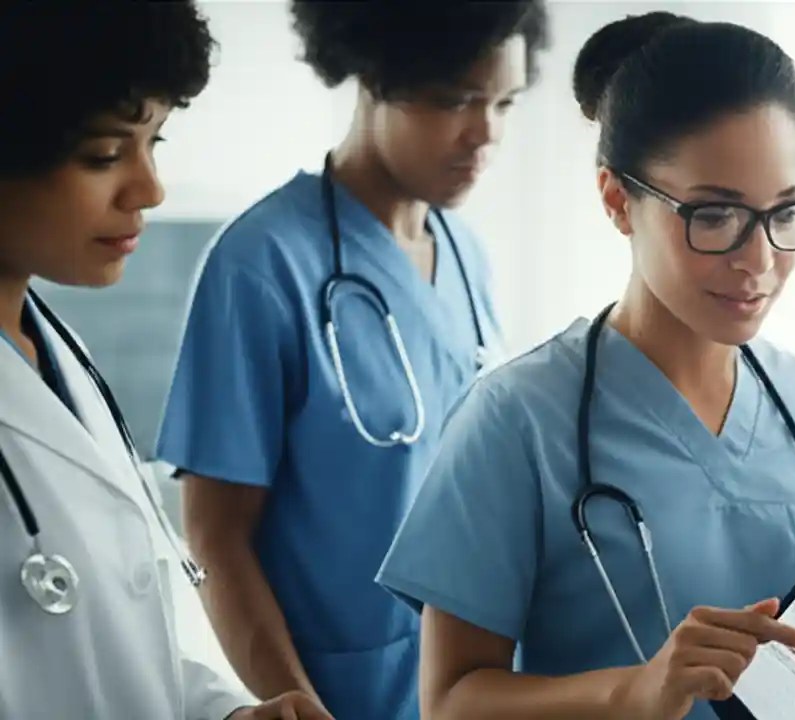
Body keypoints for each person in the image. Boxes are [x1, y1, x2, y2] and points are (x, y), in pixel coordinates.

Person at [375, 12, 795, 720]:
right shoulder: (517, 420)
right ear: (617, 200)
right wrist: (636, 690)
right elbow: (451, 702)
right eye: (714, 216)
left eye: (786, 213)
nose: (759, 262)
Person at [154, 2, 549, 718]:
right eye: (454, 99)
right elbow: (215, 536)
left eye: (503, 102)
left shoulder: (466, 255)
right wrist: (295, 703)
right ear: (372, 75)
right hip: (341, 695)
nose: (485, 134)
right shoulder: (262, 263)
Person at [0, 3, 329, 718]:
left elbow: (114, 638)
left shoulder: (62, 359)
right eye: (104, 155)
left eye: (155, 143)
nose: (149, 190)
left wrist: (228, 714)